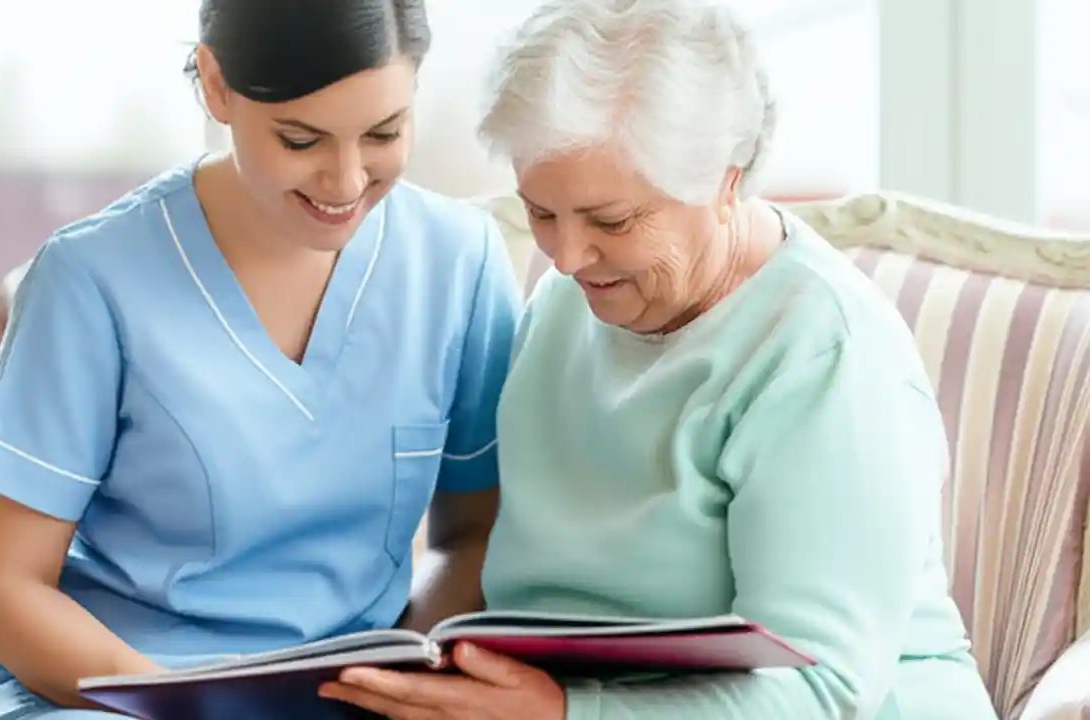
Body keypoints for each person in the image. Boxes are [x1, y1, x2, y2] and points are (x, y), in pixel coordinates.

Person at [319, 0, 1000, 718]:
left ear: (725, 182)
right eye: (541, 213)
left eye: (612, 221)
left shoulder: (824, 356)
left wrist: (564, 715)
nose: (568, 257)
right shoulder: (564, 303)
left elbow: (821, 692)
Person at [0, 1, 520, 717]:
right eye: (300, 139)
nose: (345, 182)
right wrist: (171, 704)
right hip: (106, 696)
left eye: (383, 133)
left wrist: (396, 677)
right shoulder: (90, 280)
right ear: (217, 86)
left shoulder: (459, 263)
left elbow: (477, 530)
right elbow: (1, 587)